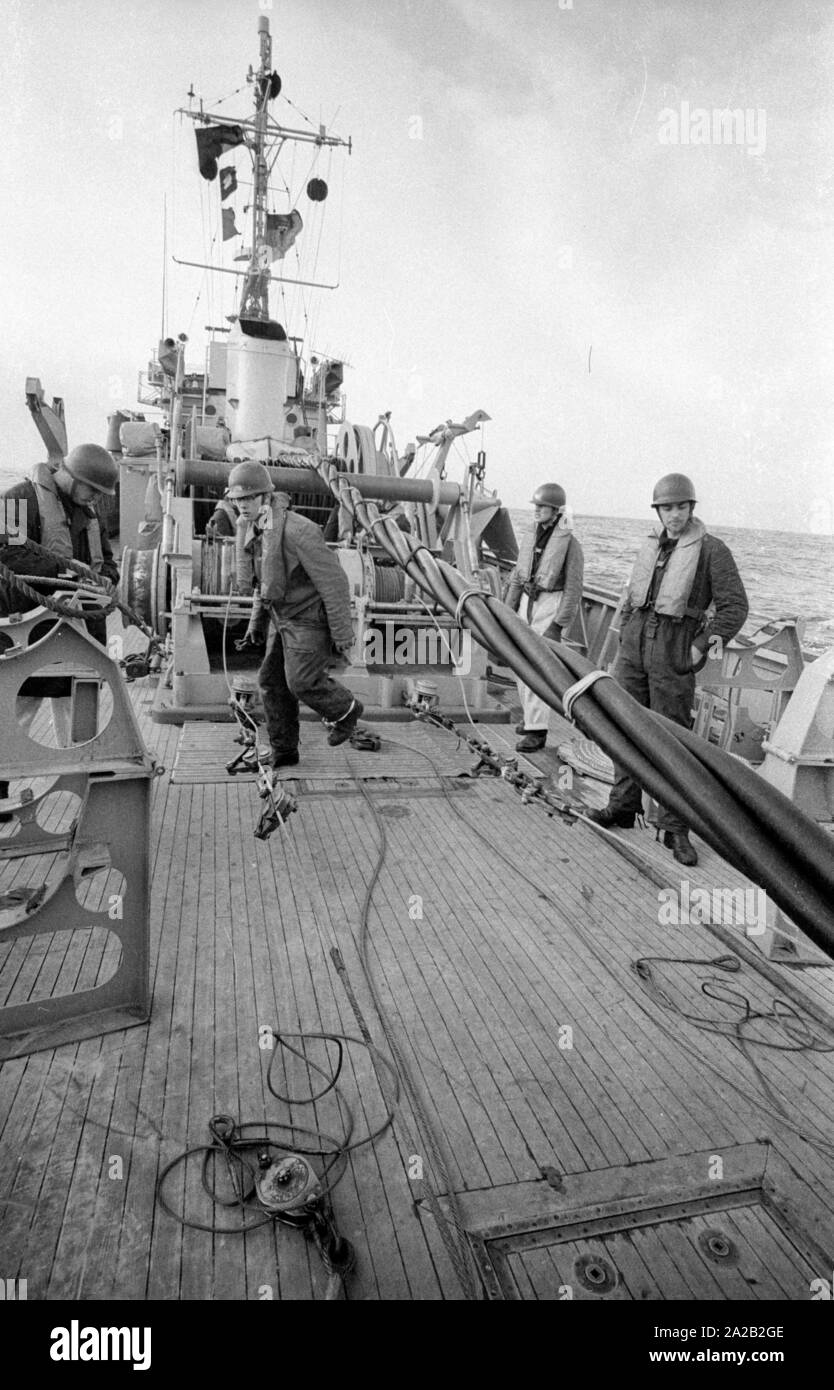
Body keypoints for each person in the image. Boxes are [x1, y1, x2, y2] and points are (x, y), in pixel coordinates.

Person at [588, 473, 749, 866]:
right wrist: (626, 633)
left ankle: (675, 827)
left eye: (680, 507)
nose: (674, 515)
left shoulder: (713, 551)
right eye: (667, 508)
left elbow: (735, 606)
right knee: (623, 726)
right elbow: (630, 598)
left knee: (672, 740)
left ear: (691, 508)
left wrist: (700, 643)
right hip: (634, 648)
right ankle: (623, 806)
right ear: (658, 511)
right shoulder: (652, 547)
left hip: (673, 649)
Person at [230, 461, 362, 768]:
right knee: (271, 682)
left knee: (301, 682)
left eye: (248, 498)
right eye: (237, 500)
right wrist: (254, 623)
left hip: (308, 619)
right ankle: (285, 751)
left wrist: (343, 635)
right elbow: (262, 583)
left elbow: (335, 582)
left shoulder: (298, 531)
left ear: (266, 497)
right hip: (283, 618)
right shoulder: (256, 530)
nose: (242, 505)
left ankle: (347, 710)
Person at [0, 444, 120, 640]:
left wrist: (106, 578)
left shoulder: (91, 514)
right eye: (93, 489)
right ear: (72, 476)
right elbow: (7, 557)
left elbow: (108, 562)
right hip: (28, 623)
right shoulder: (16, 499)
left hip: (84, 624)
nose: (96, 498)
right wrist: (63, 569)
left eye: (100, 493)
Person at [504, 482, 584, 752]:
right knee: (520, 663)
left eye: (542, 507)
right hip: (528, 601)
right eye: (535, 506)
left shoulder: (571, 546)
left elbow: (573, 589)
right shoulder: (532, 536)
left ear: (556, 510)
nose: (536, 510)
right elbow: (518, 575)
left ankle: (538, 731)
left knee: (537, 666)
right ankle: (530, 719)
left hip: (549, 604)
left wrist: (557, 625)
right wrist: (508, 609)